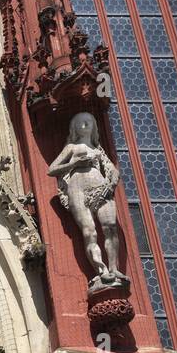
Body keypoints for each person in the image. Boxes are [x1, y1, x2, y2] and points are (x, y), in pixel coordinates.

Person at [48, 112, 127, 288]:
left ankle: (114, 269)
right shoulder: (71, 148)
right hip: (78, 189)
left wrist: (112, 182)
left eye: (89, 121)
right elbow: (52, 169)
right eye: (81, 122)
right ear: (74, 127)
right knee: (89, 232)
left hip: (100, 187)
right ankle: (102, 271)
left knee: (111, 227)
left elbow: (112, 169)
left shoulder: (99, 150)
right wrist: (74, 164)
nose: (86, 124)